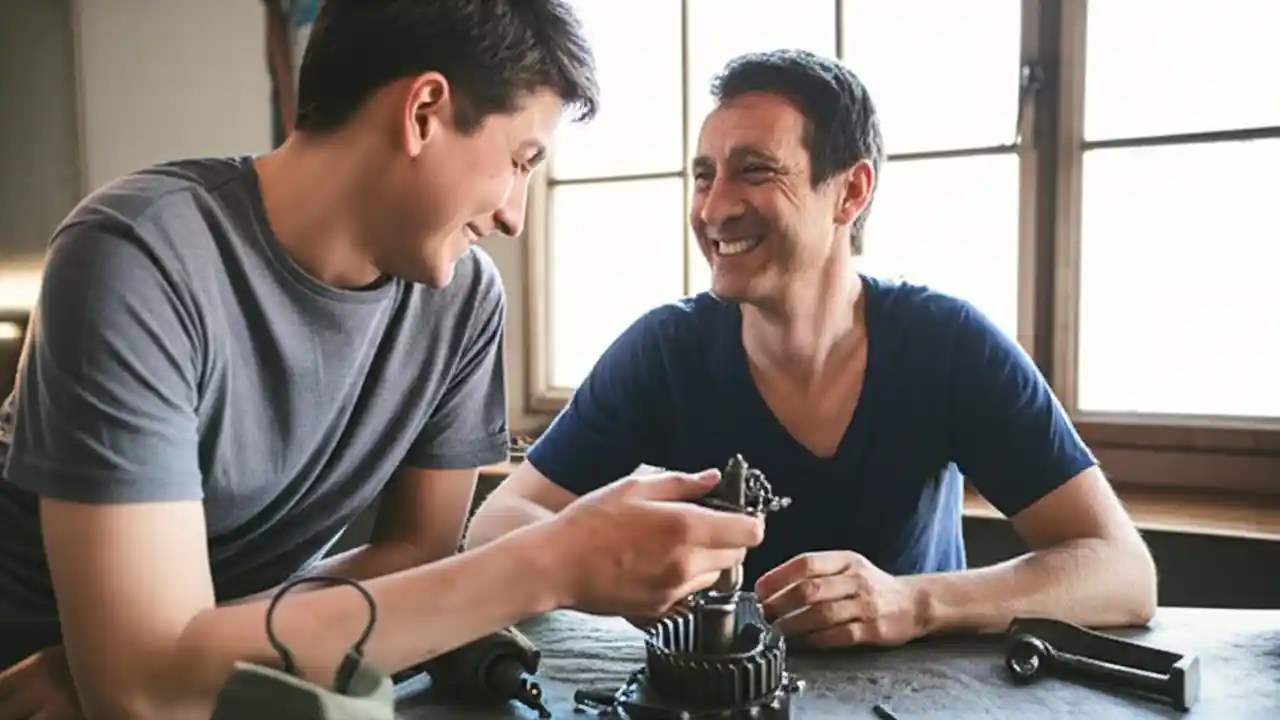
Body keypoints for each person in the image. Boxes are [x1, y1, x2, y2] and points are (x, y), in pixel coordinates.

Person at [0, 1, 764, 718]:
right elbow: (137, 697)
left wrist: (172, 649)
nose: (512, 214)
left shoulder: (460, 303)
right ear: (423, 112)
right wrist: (546, 564)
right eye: (521, 160)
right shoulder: (138, 257)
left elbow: (413, 556)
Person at [466, 49, 1158, 650]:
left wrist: (916, 604)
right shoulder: (662, 350)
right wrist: (608, 568)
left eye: (755, 171)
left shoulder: (948, 344)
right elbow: (497, 525)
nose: (713, 209)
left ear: (850, 191)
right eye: (704, 174)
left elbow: (1123, 571)